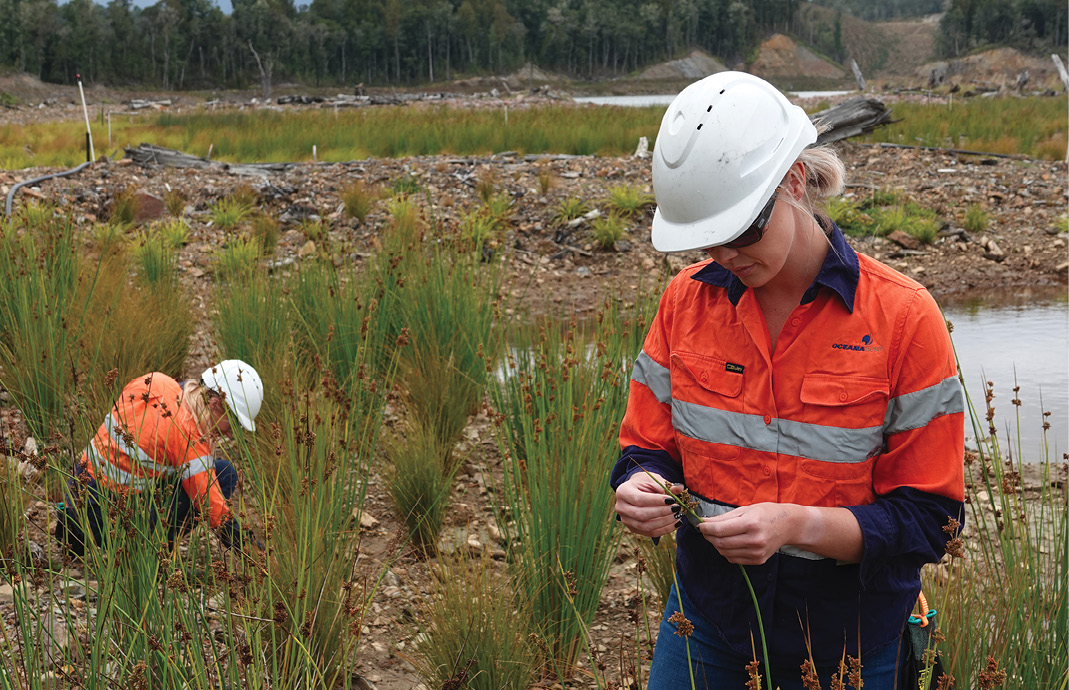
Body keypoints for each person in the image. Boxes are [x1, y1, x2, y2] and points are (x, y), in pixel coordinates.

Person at [610, 72, 964, 690]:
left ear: (795, 183)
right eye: (706, 240)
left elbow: (929, 520)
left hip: (852, 637)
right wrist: (643, 483)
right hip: (708, 621)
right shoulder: (682, 305)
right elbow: (648, 446)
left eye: (743, 231)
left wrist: (795, 526)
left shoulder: (905, 319)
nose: (725, 255)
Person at [57, 359, 264, 557]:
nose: (230, 434)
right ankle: (147, 557)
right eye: (234, 424)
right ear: (215, 404)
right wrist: (254, 553)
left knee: (212, 471)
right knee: (224, 474)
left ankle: (76, 529)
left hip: (76, 497)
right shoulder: (188, 437)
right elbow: (214, 510)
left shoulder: (157, 381)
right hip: (102, 520)